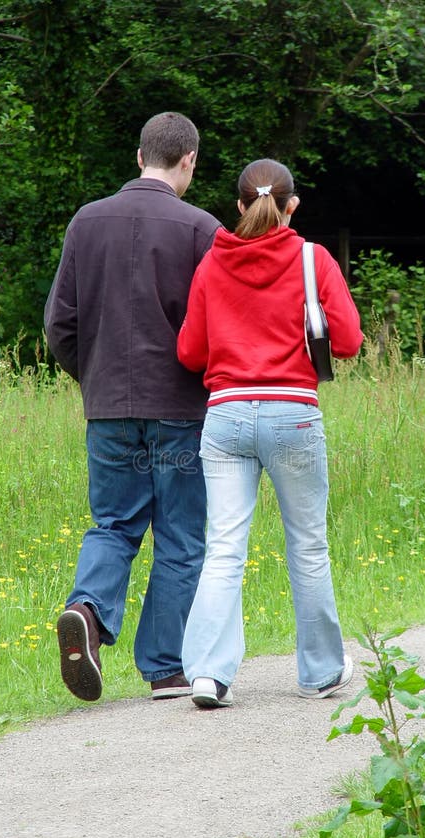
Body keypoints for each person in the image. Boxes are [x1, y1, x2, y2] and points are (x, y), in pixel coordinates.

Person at [44, 111, 221, 702]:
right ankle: (165, 667)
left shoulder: (85, 222)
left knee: (113, 525)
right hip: (179, 409)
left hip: (108, 408)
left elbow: (59, 325)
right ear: (189, 159)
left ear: (138, 154)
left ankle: (87, 614)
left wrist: (91, 377)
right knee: (180, 536)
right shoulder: (202, 230)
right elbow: (215, 327)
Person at [177, 158, 364, 708]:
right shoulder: (314, 259)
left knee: (224, 548)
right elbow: (348, 341)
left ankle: (209, 675)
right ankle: (321, 673)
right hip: (294, 415)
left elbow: (189, 352)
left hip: (227, 415)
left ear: (238, 206)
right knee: (307, 546)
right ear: (292, 206)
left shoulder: (213, 263)